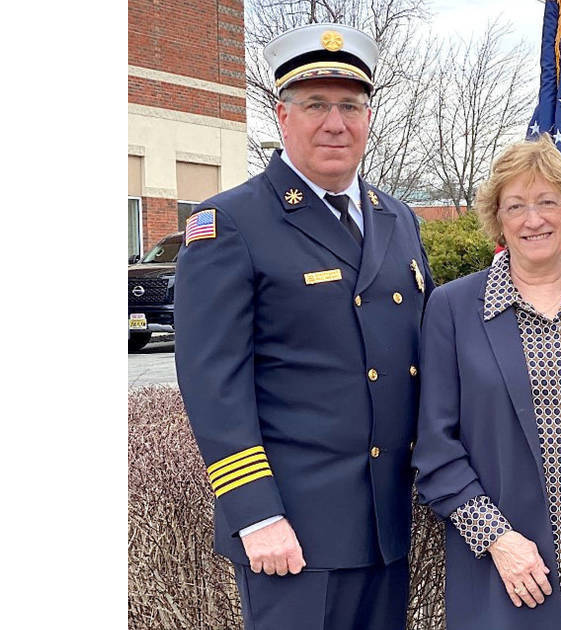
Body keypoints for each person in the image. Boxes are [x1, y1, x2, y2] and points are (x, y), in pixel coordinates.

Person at [174, 23, 433, 629]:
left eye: (350, 106)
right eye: (315, 105)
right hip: (291, 532)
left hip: (385, 526)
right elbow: (213, 383)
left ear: (369, 117)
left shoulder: (398, 219)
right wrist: (254, 512)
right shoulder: (232, 222)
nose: (335, 123)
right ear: (281, 115)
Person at [412, 135, 561, 630]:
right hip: (505, 578)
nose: (533, 220)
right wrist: (498, 541)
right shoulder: (453, 308)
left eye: (547, 202)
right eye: (516, 206)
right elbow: (435, 451)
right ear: (498, 220)